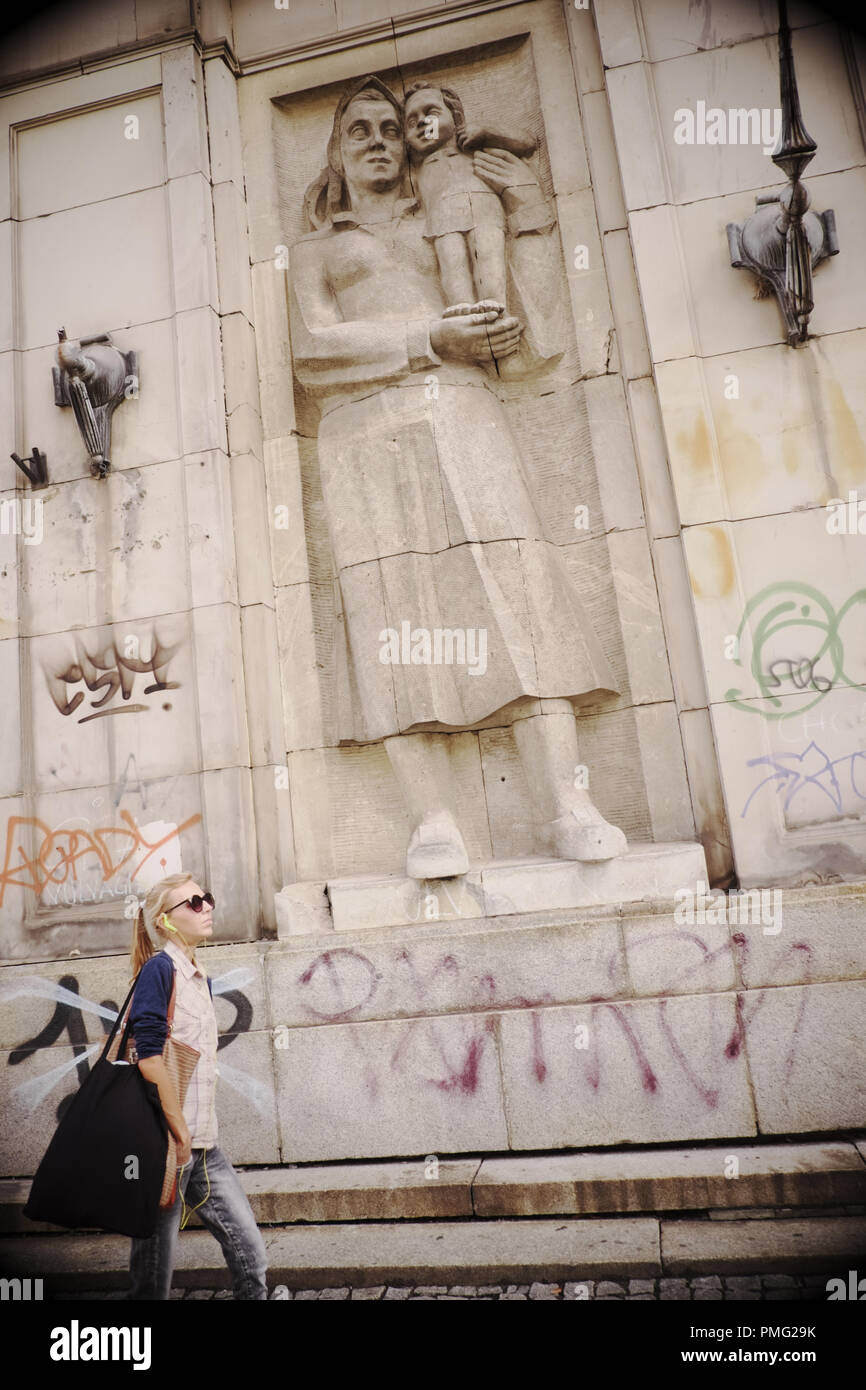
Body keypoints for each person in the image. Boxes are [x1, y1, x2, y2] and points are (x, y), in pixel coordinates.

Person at [290, 75, 627, 879]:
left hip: (464, 412)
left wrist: (528, 213)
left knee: (520, 597)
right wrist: (427, 338)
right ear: (336, 154)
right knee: (388, 618)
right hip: (361, 433)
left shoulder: (447, 206)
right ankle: (433, 821)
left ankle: (567, 803)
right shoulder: (315, 251)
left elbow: (531, 336)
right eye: (359, 130)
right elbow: (312, 352)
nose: (379, 140)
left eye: (390, 127)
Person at [125, 872, 268, 1300]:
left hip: (205, 1145)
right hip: (169, 1149)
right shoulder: (159, 970)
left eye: (205, 898)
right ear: (166, 921)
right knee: (152, 1278)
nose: (206, 907)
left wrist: (194, 1136)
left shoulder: (197, 975)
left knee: (251, 1255)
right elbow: (149, 1058)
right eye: (192, 903)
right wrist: (180, 1132)